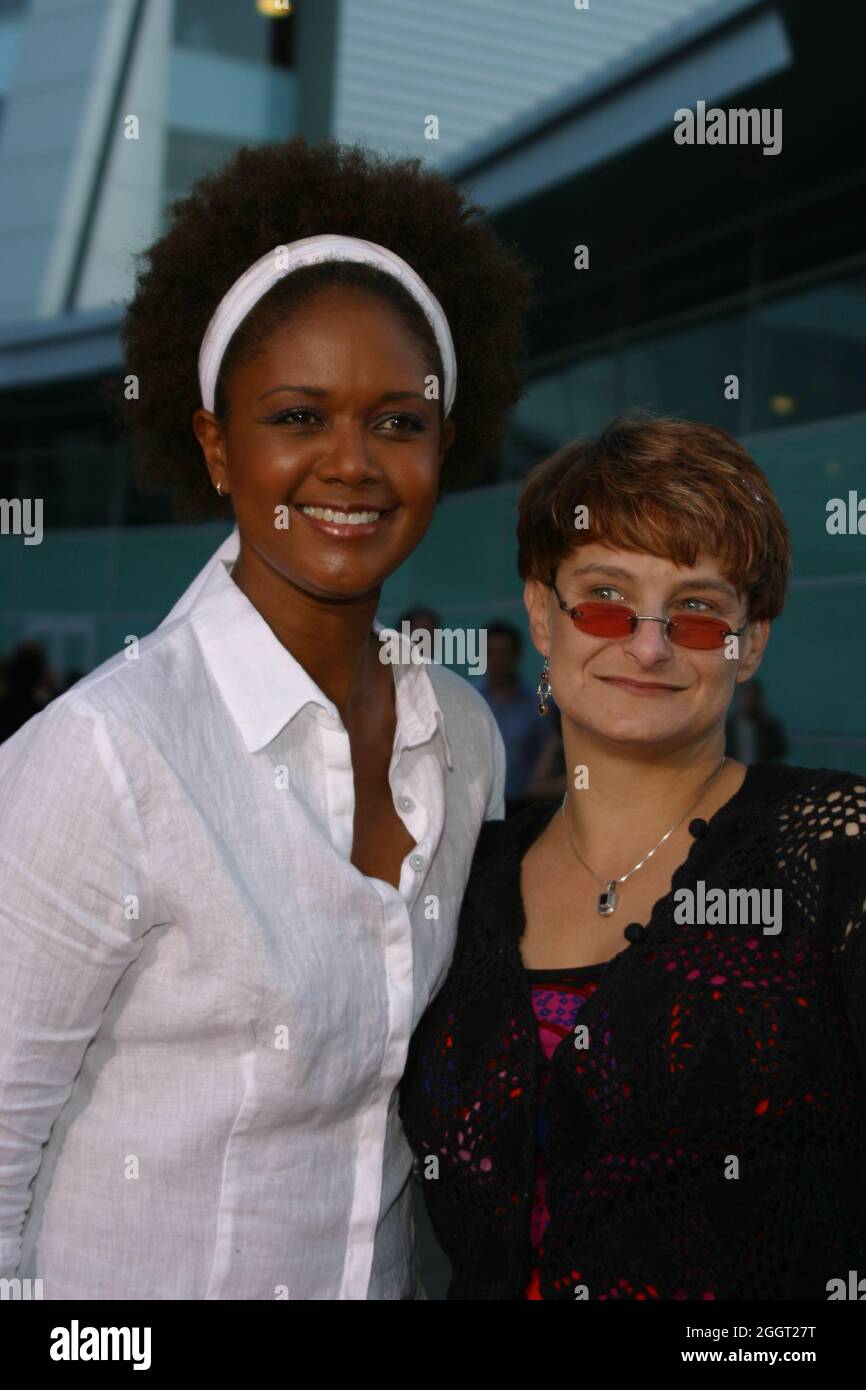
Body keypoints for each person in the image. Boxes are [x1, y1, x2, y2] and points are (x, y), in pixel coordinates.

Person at [0, 135, 534, 1300]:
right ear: (214, 442)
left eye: (398, 421)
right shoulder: (103, 756)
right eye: (298, 415)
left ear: (447, 441)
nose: (350, 463)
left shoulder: (463, 739)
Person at [400, 414, 866, 1300]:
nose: (647, 645)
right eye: (606, 599)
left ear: (750, 640)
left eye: (696, 612)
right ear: (544, 612)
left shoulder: (833, 851)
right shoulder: (466, 879)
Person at [478, 621, 550, 815]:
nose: (498, 660)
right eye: (491, 652)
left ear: (517, 655)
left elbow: (547, 756)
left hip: (522, 806)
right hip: (476, 807)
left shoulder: (537, 705)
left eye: (505, 652)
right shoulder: (468, 699)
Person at [725, 678, 787, 762]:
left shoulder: (769, 726)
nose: (748, 701)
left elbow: (779, 751)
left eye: (752, 698)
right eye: (746, 696)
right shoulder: (727, 727)